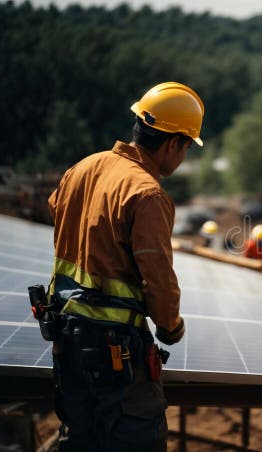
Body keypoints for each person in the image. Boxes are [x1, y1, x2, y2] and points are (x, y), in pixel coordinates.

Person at [46, 82, 204, 451]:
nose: (182, 158)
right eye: (185, 149)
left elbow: (56, 211)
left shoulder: (85, 167)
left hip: (66, 339)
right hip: (116, 353)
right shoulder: (147, 193)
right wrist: (170, 326)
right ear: (172, 144)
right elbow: (158, 278)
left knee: (79, 440)